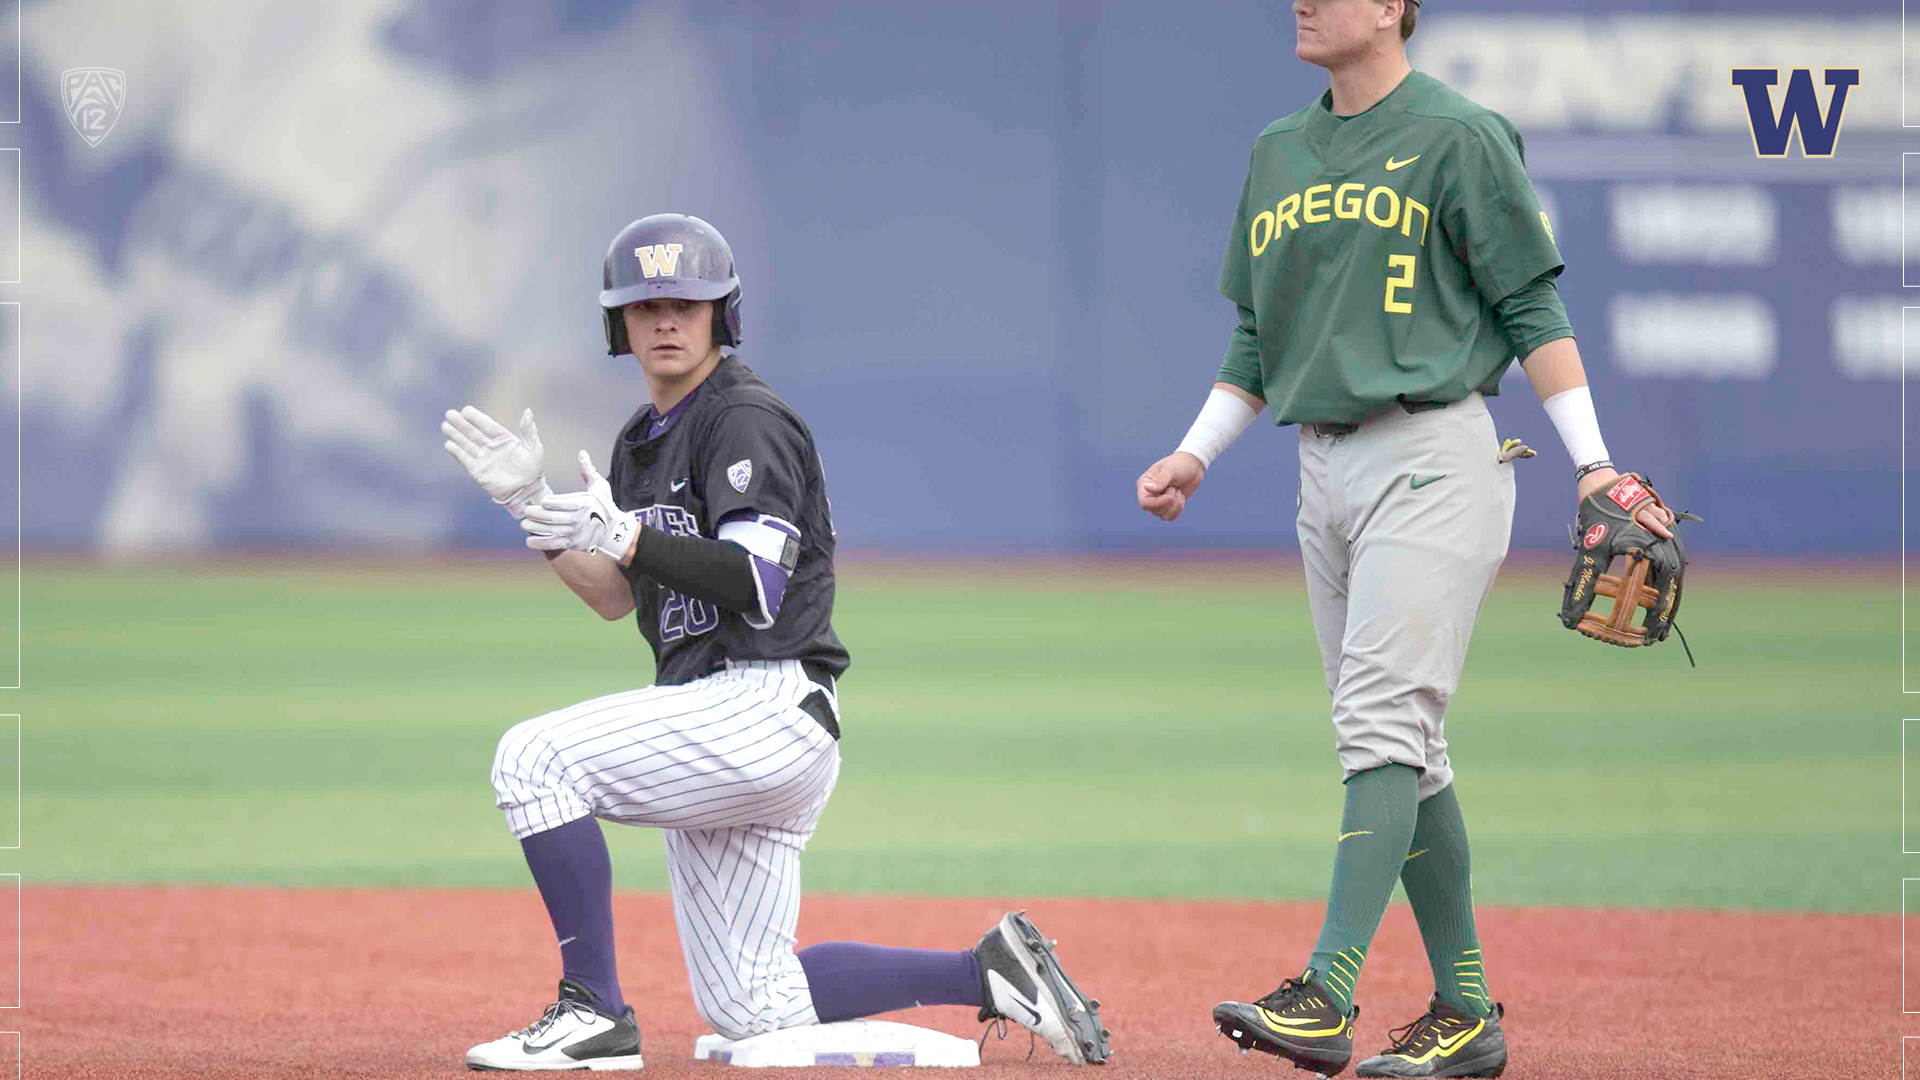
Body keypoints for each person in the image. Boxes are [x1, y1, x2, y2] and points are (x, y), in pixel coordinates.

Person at [1134, 2, 1676, 1077]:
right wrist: (1198, 450)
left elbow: (1529, 304)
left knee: (1379, 721)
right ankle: (1467, 1013)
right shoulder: (1278, 151)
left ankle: (1326, 991)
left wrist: (1595, 462)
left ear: (1392, 8)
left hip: (1433, 450)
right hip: (1321, 465)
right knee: (1406, 748)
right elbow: (1259, 330)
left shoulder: (1460, 134)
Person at [444, 214, 1110, 1071]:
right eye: (646, 307)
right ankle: (990, 971)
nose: (668, 321)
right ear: (620, 326)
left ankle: (593, 1012)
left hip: (763, 702)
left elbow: (756, 581)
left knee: (532, 760)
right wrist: (529, 504)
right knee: (754, 1005)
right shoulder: (641, 441)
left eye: (687, 302)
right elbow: (614, 598)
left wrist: (628, 538)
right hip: (719, 717)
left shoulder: (744, 418)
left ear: (724, 313)